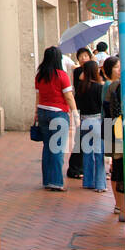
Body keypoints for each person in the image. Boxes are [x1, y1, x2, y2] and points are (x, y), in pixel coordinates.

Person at [33, 46, 77, 190]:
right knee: (57, 148)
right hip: (58, 113)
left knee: (47, 147)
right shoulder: (61, 75)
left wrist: (36, 113)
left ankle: (47, 180)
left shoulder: (39, 75)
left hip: (42, 112)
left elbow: (38, 96)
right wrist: (75, 112)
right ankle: (56, 181)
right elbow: (69, 97)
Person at [76, 60, 106, 191]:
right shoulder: (100, 88)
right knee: (99, 154)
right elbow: (103, 105)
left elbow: (77, 105)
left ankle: (88, 182)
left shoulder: (80, 87)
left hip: (84, 121)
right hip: (97, 120)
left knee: (87, 153)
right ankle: (100, 184)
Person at [101, 56, 123, 216]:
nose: (120, 70)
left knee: (116, 166)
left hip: (111, 129)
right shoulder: (112, 85)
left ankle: (119, 204)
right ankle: (120, 205)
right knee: (118, 167)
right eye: (117, 67)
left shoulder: (107, 85)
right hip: (116, 130)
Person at [67, 47, 91, 178]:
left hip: (89, 110)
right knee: (81, 140)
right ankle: (75, 168)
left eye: (85, 56)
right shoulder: (78, 72)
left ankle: (82, 167)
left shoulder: (93, 70)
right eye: (81, 56)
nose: (83, 58)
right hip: (81, 108)